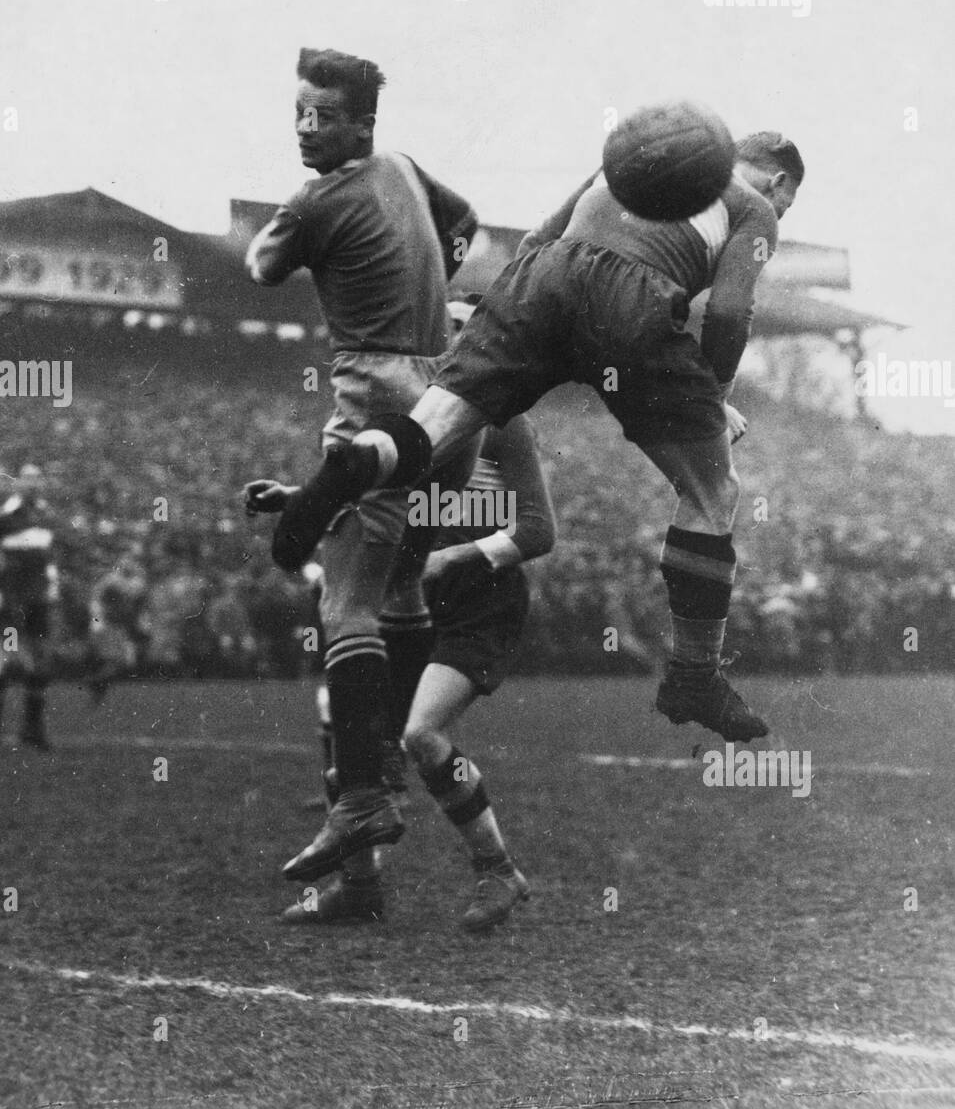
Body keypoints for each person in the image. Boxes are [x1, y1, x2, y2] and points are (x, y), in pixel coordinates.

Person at [266, 129, 805, 883]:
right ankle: (692, 673)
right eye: (789, 195)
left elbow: (546, 233)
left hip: (537, 281)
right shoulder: (756, 210)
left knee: (430, 429)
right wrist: (710, 399)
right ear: (777, 180)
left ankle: (352, 464)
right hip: (628, 298)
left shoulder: (631, 160)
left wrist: (508, 316)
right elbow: (728, 316)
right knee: (713, 491)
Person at [243, 46, 480, 885]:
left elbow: (261, 268)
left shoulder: (315, 197)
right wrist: (423, 272)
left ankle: (363, 797)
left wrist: (311, 220)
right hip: (448, 400)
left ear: (361, 122)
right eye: (299, 113)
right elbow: (466, 219)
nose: (308, 129)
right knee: (399, 586)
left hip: (375, 392)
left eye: (324, 115)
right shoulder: (407, 166)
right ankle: (381, 764)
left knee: (343, 602)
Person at [283, 408, 556, 931]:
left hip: (481, 597)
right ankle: (360, 888)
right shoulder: (417, 412)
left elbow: (540, 531)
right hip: (409, 591)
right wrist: (297, 500)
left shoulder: (501, 420)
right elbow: (372, 490)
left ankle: (497, 869)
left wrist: (451, 558)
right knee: (358, 745)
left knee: (422, 735)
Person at [0, 464, 59, 750]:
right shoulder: (4, 518)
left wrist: (52, 580)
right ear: (17, 484)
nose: (33, 485)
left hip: (37, 600)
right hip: (9, 600)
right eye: (27, 480)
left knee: (40, 663)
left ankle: (31, 730)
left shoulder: (46, 516)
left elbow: (47, 556)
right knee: (5, 660)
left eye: (37, 479)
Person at [87, 551, 150, 704]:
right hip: (111, 624)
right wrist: (97, 620)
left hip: (124, 626)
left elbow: (138, 605)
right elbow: (96, 600)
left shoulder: (137, 582)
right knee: (119, 660)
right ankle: (97, 683)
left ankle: (98, 683)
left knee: (126, 661)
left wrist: (141, 622)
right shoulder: (110, 581)